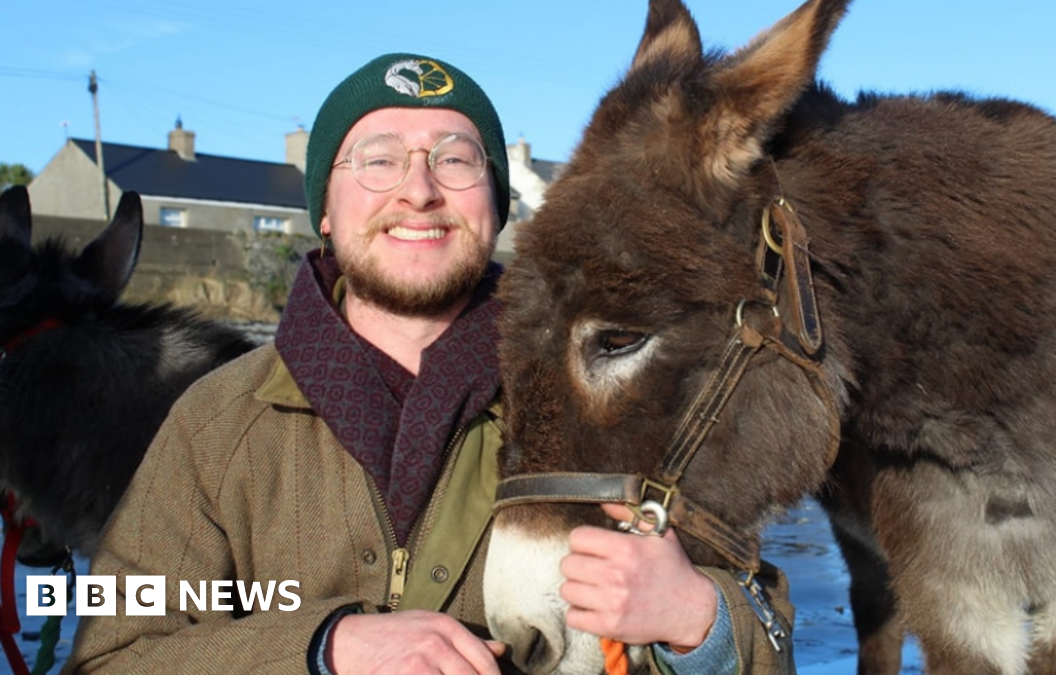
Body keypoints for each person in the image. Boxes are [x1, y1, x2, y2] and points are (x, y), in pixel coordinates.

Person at [65, 52, 794, 675]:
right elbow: (111, 652)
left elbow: (769, 627)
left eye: (454, 158)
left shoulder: (617, 389)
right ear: (325, 206)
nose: (419, 190)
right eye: (379, 159)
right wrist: (324, 646)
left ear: (496, 204)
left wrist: (703, 621)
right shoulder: (213, 423)